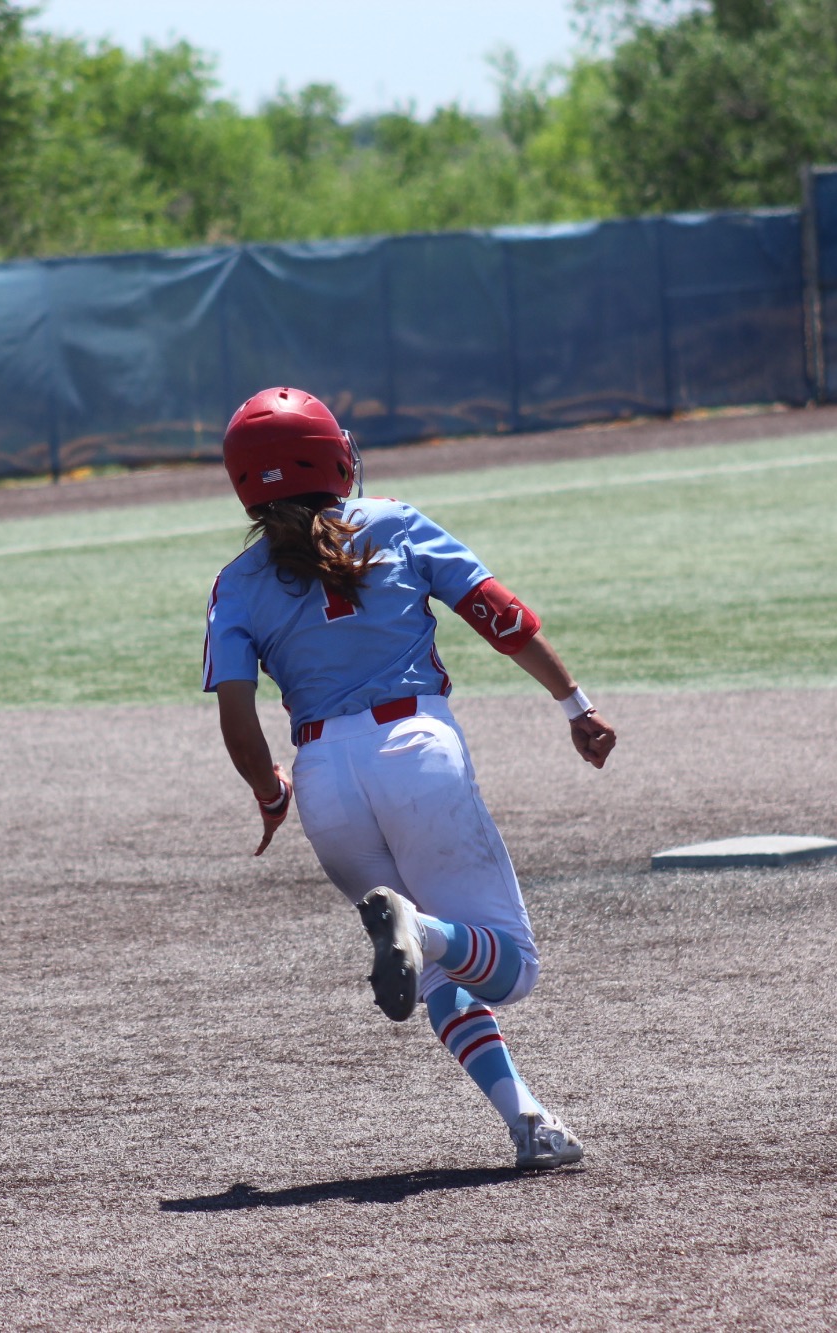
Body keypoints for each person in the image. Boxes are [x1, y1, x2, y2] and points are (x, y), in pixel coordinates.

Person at [202, 386, 617, 1169]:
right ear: (333, 454)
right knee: (509, 964)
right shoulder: (393, 519)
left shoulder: (237, 581)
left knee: (437, 977)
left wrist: (270, 794)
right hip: (414, 746)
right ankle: (420, 928)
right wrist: (575, 704)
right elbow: (498, 614)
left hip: (325, 776)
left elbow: (236, 714)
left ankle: (527, 1119)